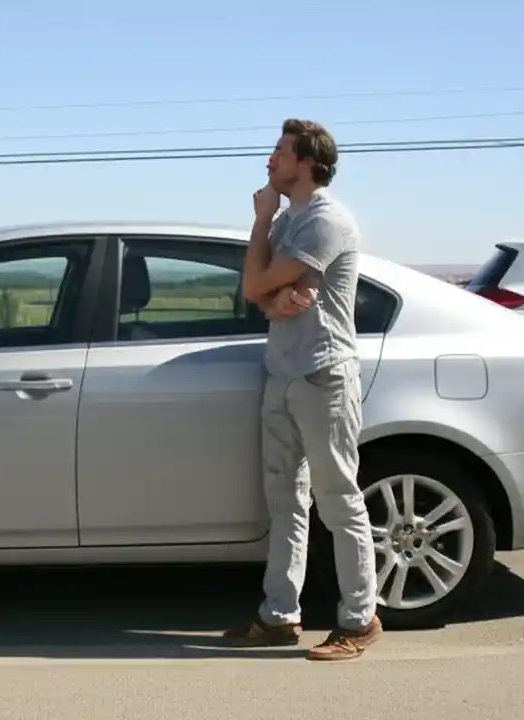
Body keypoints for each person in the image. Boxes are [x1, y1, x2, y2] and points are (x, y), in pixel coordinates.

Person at [226, 118, 382, 661]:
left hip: (323, 374)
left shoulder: (326, 220)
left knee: (337, 497)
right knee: (284, 499)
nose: (270, 160)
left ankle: (360, 620)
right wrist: (264, 220)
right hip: (283, 372)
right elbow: (258, 291)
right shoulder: (285, 219)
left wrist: (272, 291)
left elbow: (259, 285)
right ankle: (279, 616)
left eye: (280, 152)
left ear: (308, 163)